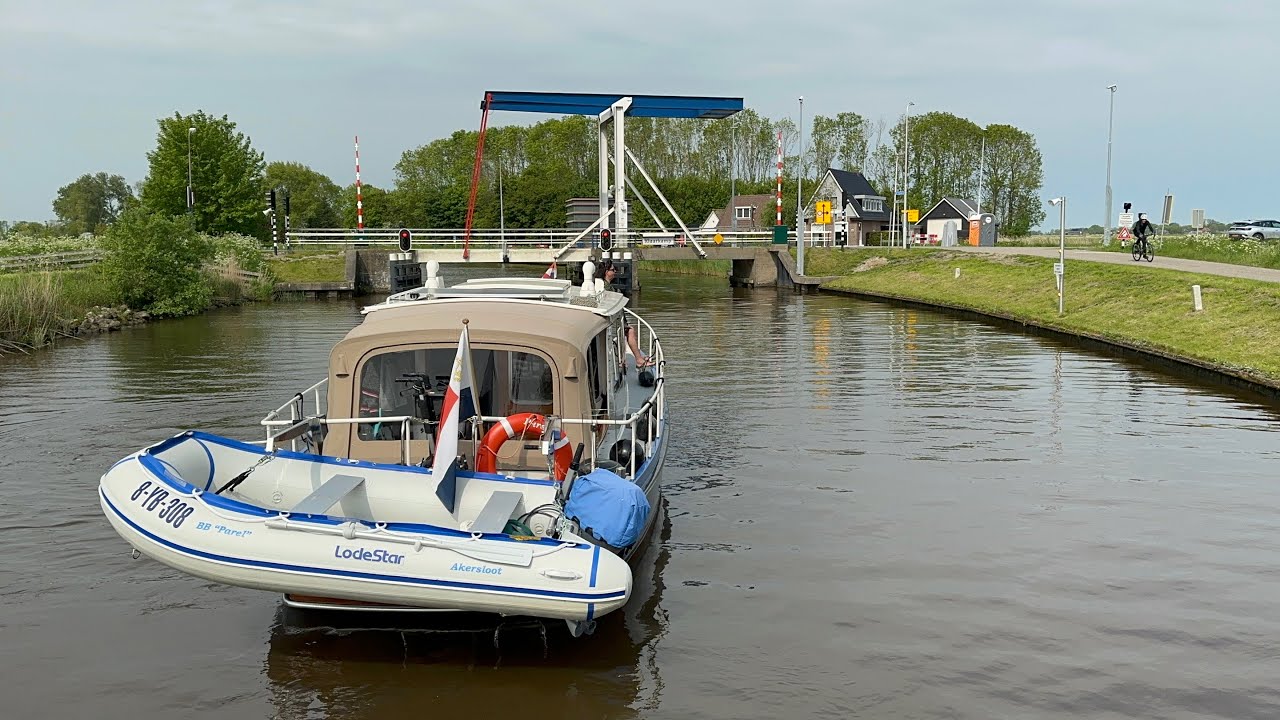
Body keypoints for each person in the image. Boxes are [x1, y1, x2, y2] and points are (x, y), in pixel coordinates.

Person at [596, 258, 652, 368]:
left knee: (627, 330)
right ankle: (639, 360)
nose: (615, 272)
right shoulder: (606, 288)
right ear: (607, 272)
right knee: (630, 331)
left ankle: (628, 359)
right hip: (612, 322)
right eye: (613, 269)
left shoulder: (604, 285)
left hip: (613, 320)